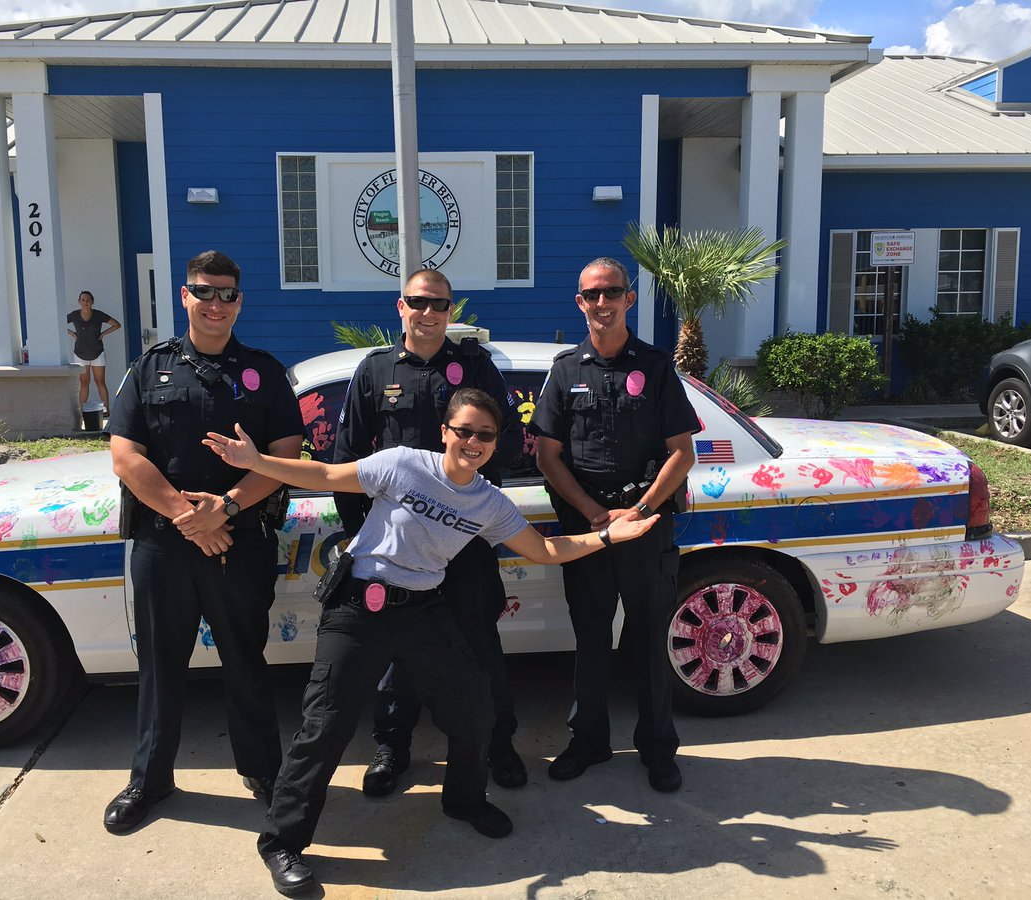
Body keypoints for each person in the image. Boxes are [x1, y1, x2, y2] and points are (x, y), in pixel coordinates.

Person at [202, 387, 660, 897]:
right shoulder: (403, 464)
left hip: (422, 611)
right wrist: (255, 461)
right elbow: (328, 475)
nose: (473, 441)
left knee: (474, 710)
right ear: (445, 431)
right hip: (359, 605)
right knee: (325, 723)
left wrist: (609, 537)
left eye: (484, 435)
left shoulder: (488, 501)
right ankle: (282, 842)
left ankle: (464, 800)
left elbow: (545, 549)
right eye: (463, 430)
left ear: (495, 443)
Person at [103, 250, 304, 834]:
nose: (217, 304)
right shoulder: (149, 368)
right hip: (164, 544)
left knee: (246, 659)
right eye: (205, 292)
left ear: (239, 302)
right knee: (161, 665)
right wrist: (186, 516)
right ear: (185, 297)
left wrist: (228, 508)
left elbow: (286, 455)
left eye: (227, 294)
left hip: (239, 541)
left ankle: (264, 772)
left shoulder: (265, 372)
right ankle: (150, 778)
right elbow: (124, 455)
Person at [332, 267, 528, 796]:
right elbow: (346, 456)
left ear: (449, 311)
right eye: (418, 302)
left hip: (460, 543)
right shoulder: (374, 371)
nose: (428, 313)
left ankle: (498, 745)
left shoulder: (474, 369)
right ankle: (392, 748)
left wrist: (470, 508)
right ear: (402, 306)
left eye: (439, 304)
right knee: (394, 650)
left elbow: (507, 443)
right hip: (394, 550)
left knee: (479, 645)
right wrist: (367, 539)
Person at [530, 257, 699, 794]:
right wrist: (596, 514)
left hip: (646, 529)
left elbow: (682, 453)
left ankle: (657, 748)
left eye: (611, 293)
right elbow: (547, 456)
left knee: (650, 641)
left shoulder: (655, 367)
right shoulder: (564, 370)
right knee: (590, 639)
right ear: (579, 302)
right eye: (590, 295)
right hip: (587, 529)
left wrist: (643, 511)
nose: (601, 303)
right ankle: (589, 741)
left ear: (629, 298)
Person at [66, 290, 122, 413]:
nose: (85, 302)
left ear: (92, 301)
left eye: (88, 300)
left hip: (97, 352)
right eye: (83, 300)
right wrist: (71, 333)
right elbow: (59, 323)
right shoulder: (74, 315)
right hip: (80, 353)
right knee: (84, 382)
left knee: (100, 381)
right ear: (79, 301)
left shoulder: (98, 315)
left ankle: (106, 410)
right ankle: (81, 411)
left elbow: (117, 325)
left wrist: (103, 334)